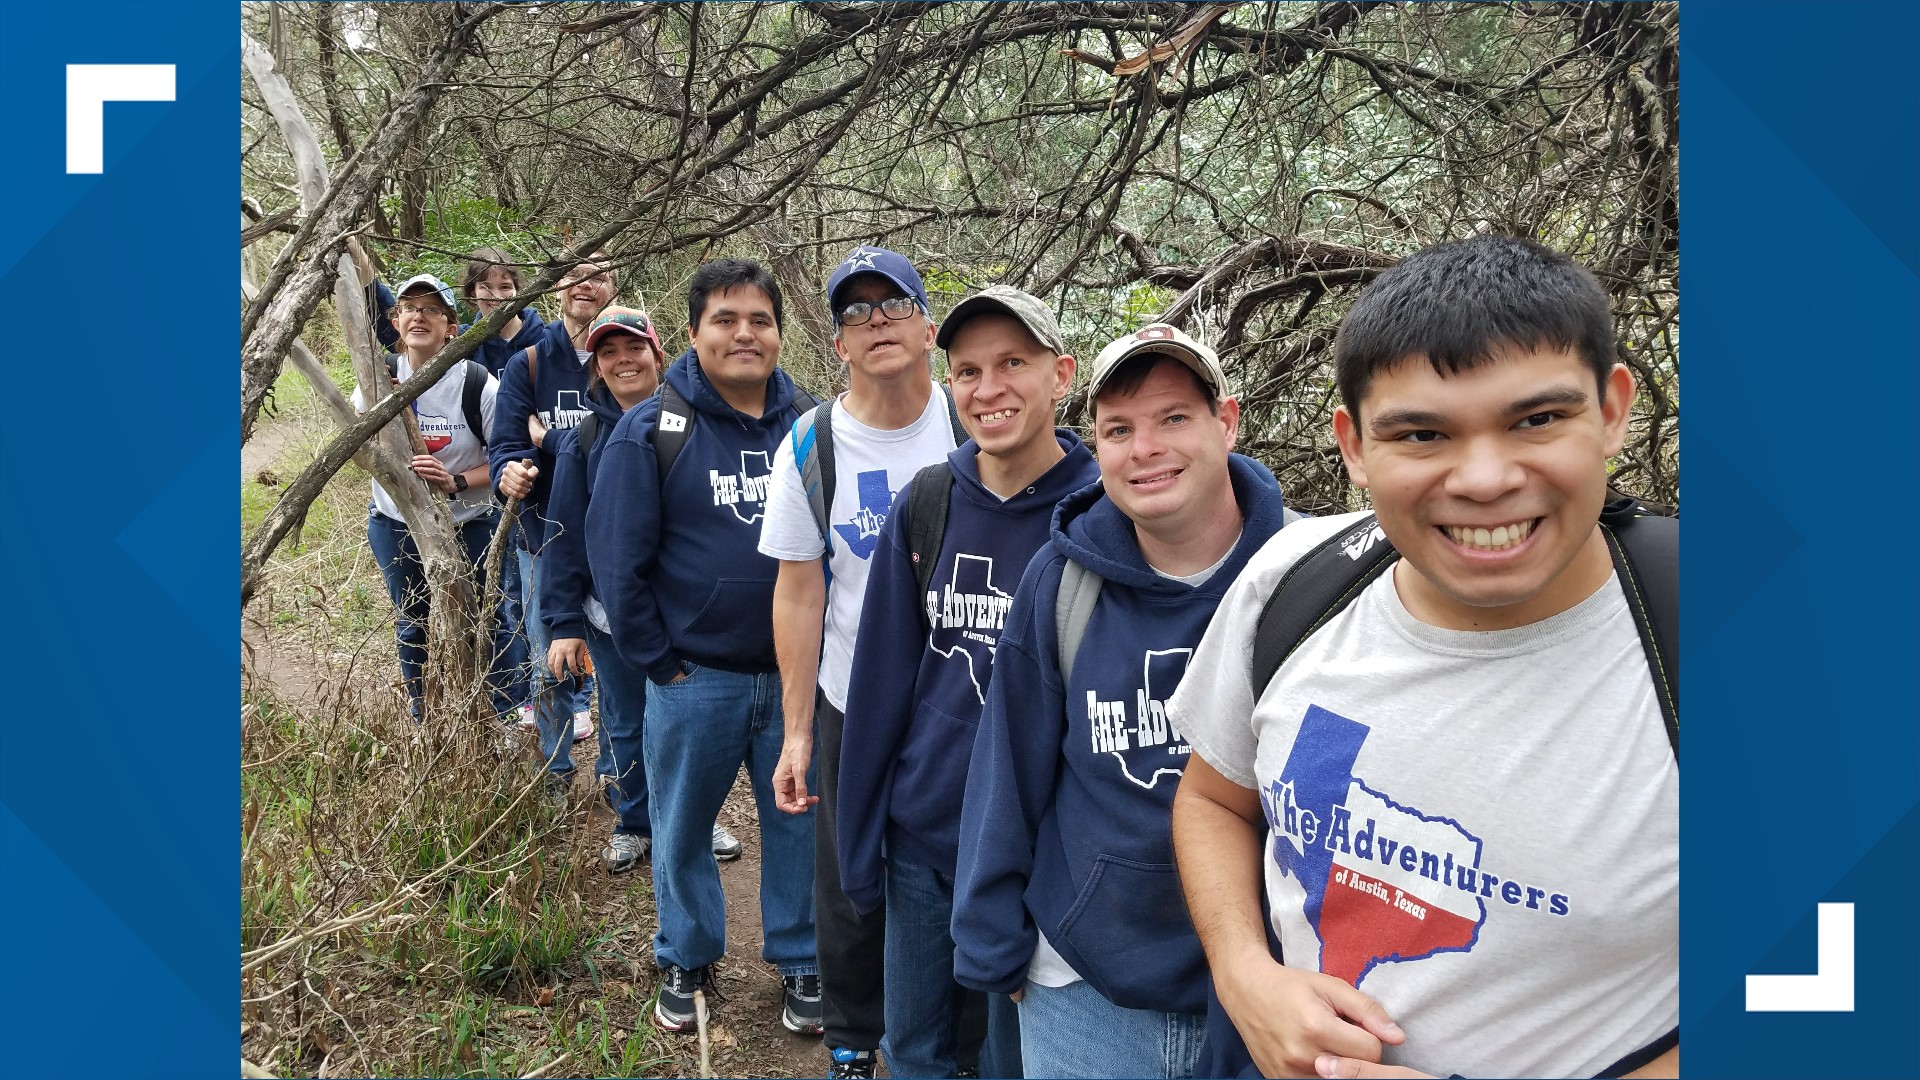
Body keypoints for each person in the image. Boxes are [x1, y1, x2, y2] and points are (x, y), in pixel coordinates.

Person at [1167, 235, 1678, 1079]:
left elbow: (1830, 981)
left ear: (1614, 409)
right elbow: (1215, 801)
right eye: (1422, 433)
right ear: (1355, 447)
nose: (1483, 478)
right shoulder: (1294, 584)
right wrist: (1243, 972)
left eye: (1537, 419)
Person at [951, 323, 1293, 1079]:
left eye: (1173, 418)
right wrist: (990, 938)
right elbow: (1008, 767)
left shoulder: (1306, 581)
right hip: (1084, 988)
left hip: (1267, 1000)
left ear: (1226, 421)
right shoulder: (1063, 583)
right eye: (1119, 429)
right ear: (1096, 444)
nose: (1146, 449)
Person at [836, 286, 1095, 1077]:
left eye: (1013, 364)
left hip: (1035, 855)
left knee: (1014, 1058)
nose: (990, 390)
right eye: (969, 371)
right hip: (924, 838)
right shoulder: (930, 503)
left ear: (1060, 374)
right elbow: (881, 685)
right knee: (914, 1048)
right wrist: (859, 842)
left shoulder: (1098, 514)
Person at [586, 259, 822, 1036]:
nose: (744, 333)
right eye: (725, 319)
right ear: (693, 333)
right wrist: (664, 664)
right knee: (682, 825)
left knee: (799, 823)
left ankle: (801, 959)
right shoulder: (651, 429)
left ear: (780, 333)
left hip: (797, 679)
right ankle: (687, 956)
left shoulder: (816, 428)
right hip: (697, 677)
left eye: (759, 319)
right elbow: (617, 564)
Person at [760, 246, 966, 1077]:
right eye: (855, 311)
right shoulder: (812, 445)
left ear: (926, 325)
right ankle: (852, 1037)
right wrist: (798, 731)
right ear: (837, 343)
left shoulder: (972, 423)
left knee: (963, 873)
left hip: (962, 701)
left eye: (893, 305)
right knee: (849, 877)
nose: (876, 321)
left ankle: (964, 1040)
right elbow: (800, 592)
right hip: (851, 698)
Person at [353, 274, 524, 722]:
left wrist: (455, 482)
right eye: (408, 307)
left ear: (451, 325)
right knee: (412, 619)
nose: (418, 316)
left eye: (431, 310)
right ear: (396, 320)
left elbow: (504, 458)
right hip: (396, 521)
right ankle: (422, 712)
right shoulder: (377, 377)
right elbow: (357, 452)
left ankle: (502, 712)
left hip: (470, 520)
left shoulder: (478, 384)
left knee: (488, 617)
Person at [538, 307, 663, 871]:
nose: (622, 361)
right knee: (625, 720)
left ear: (658, 354)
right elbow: (562, 534)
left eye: (632, 348)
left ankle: (691, 818)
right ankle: (636, 821)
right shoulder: (585, 438)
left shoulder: (697, 424)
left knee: (689, 725)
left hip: (685, 616)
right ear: (597, 369)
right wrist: (564, 623)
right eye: (608, 353)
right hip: (610, 620)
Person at [491, 253, 614, 785]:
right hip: (542, 536)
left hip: (618, 542)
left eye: (601, 276)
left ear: (613, 288)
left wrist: (553, 440)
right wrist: (507, 474)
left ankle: (621, 776)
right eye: (576, 275)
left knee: (617, 668)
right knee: (549, 661)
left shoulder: (629, 357)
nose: (587, 285)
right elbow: (505, 445)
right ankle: (555, 771)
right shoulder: (531, 364)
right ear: (558, 287)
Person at [459, 247, 549, 377]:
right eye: (486, 286)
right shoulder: (464, 346)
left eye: (505, 287)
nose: (497, 296)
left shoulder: (545, 339)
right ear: (473, 292)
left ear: (517, 290)